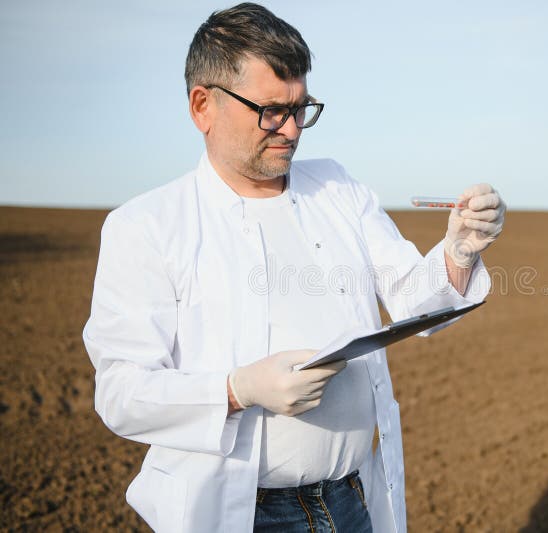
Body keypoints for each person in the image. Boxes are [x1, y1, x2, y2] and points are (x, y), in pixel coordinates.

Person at [83, 3, 505, 532]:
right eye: (270, 110)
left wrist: (460, 249)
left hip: (352, 502)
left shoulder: (337, 189)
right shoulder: (145, 226)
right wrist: (238, 390)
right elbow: (122, 395)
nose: (290, 129)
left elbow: (414, 301)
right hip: (243, 515)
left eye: (301, 108)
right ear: (202, 106)